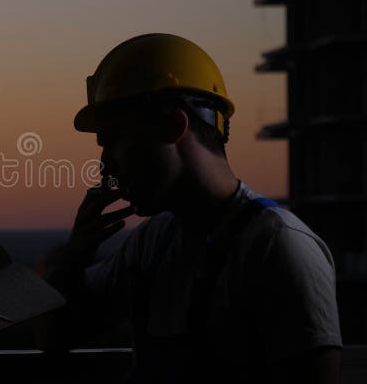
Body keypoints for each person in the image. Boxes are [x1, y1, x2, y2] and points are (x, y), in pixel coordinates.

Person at [41, 33, 342, 383]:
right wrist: (74, 257)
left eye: (115, 140)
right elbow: (54, 337)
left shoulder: (278, 248)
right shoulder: (153, 243)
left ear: (173, 125)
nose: (105, 165)